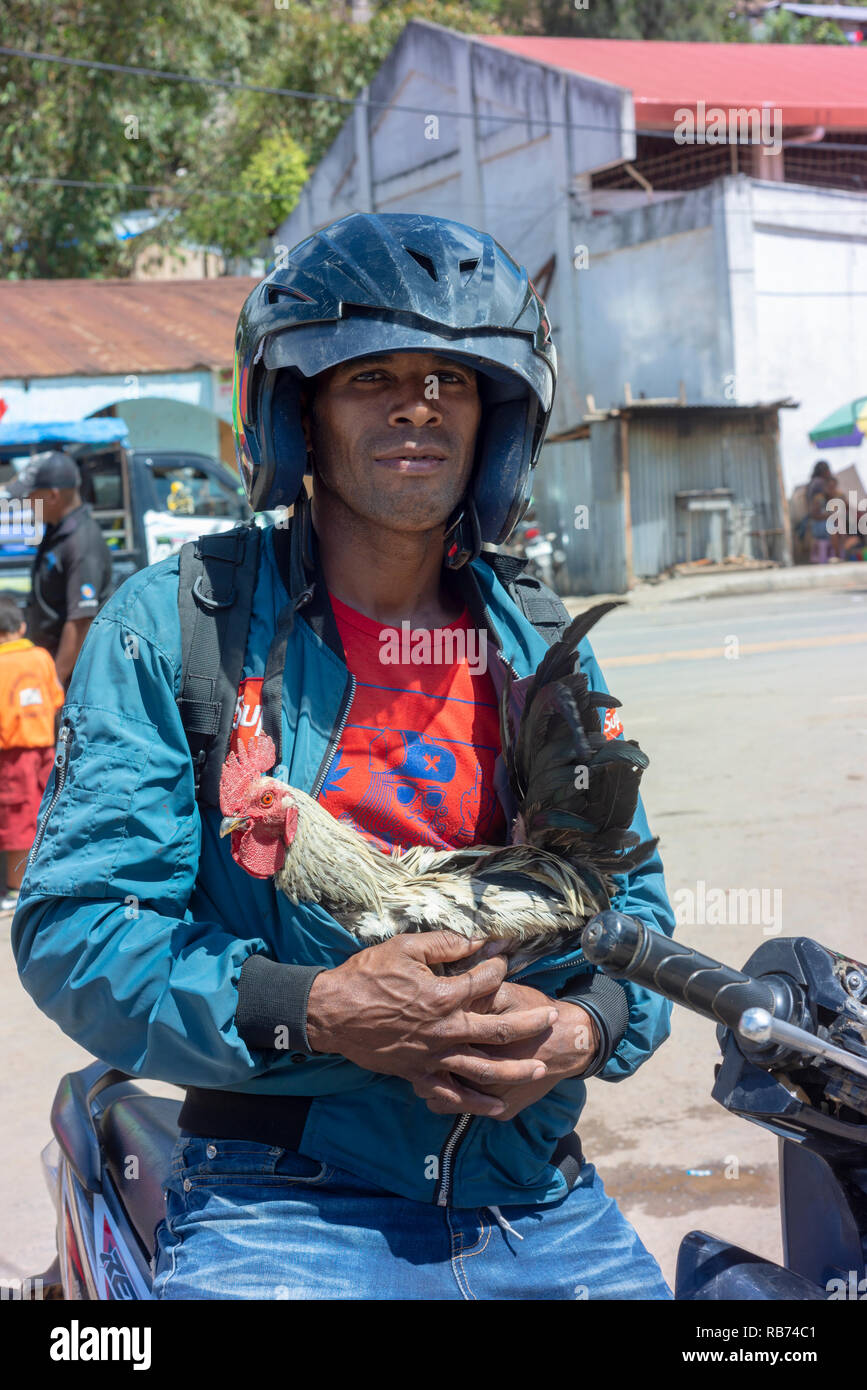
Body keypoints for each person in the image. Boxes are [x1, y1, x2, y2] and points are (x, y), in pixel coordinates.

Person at [12, 213, 676, 1301]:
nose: (417, 403)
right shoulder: (178, 625)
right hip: (284, 1196)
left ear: (493, 422)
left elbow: (635, 903)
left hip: (537, 1194)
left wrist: (581, 1025)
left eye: (450, 382)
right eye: (372, 376)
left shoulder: (535, 638)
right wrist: (311, 1007)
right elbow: (77, 927)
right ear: (297, 416)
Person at [5, 450, 113, 688]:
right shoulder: (58, 530)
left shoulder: (81, 542)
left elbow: (81, 619)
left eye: (31, 497)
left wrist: (55, 680)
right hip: (51, 662)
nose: (27, 504)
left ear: (53, 496)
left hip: (72, 677)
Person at [0, 596, 64, 912]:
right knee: (47, 810)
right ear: (22, 626)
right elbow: (55, 699)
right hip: (46, 748)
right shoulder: (40, 656)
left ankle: (14, 889)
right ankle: (47, 878)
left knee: (16, 819)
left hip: (11, 754)